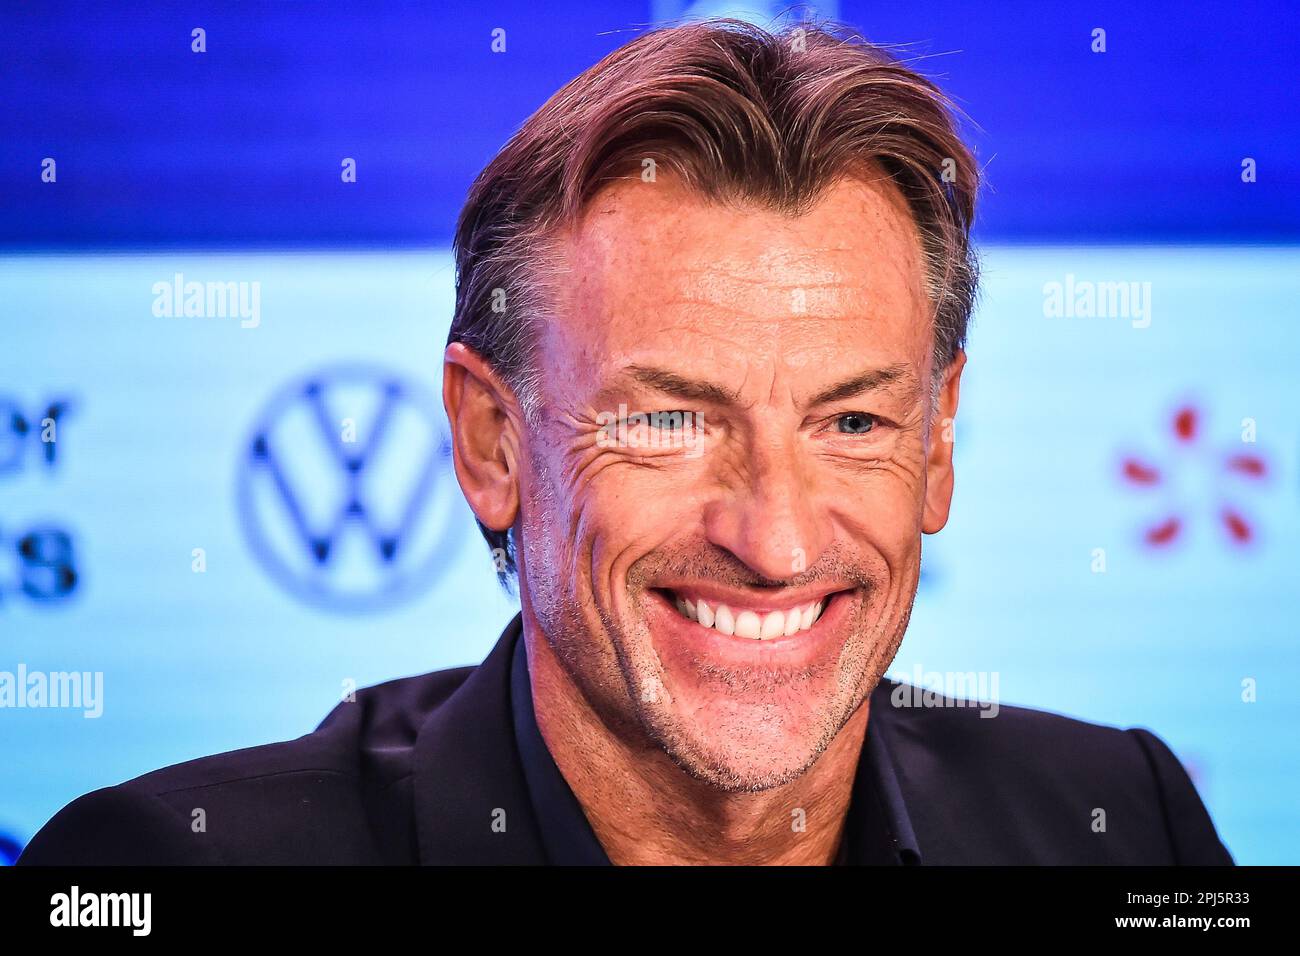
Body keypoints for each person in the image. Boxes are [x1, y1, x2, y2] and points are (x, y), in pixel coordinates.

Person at [20, 19, 1232, 866]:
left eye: (852, 419)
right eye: (668, 420)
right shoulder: (167, 867)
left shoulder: (1122, 819)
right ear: (491, 438)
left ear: (938, 442)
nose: (775, 537)